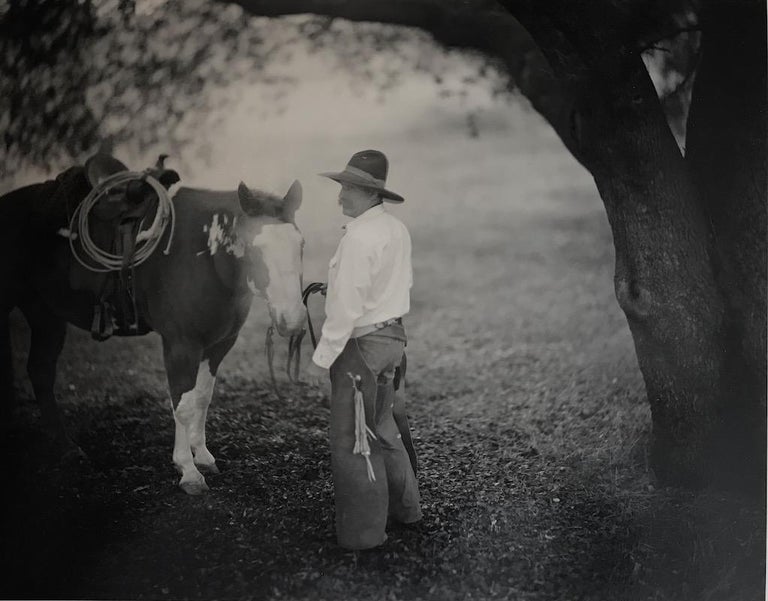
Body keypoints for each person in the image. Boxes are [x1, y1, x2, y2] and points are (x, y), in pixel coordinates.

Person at [304, 149, 422, 550]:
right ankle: (408, 511)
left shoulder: (358, 237)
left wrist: (322, 357)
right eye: (342, 187)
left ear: (372, 194)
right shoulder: (395, 229)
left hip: (363, 348)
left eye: (349, 189)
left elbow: (346, 308)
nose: (340, 196)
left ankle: (364, 536)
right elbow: (395, 283)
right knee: (384, 427)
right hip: (393, 340)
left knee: (353, 440)